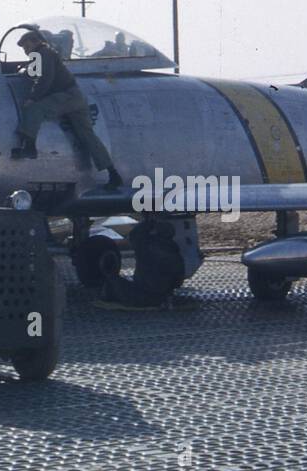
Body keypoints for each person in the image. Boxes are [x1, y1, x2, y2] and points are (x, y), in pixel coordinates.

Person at [13, 28, 123, 188]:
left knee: (34, 110)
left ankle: (29, 147)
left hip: (65, 96)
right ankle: (113, 173)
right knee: (87, 135)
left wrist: (32, 98)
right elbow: (34, 71)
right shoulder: (45, 54)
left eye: (26, 46)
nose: (25, 50)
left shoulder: (43, 53)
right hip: (76, 97)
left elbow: (45, 79)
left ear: (34, 42)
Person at [98, 219, 185, 309]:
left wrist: (150, 221)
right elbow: (178, 282)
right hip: (162, 298)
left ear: (155, 232)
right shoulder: (176, 256)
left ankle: (107, 296)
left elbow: (134, 235)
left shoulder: (144, 246)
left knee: (113, 280)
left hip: (140, 296)